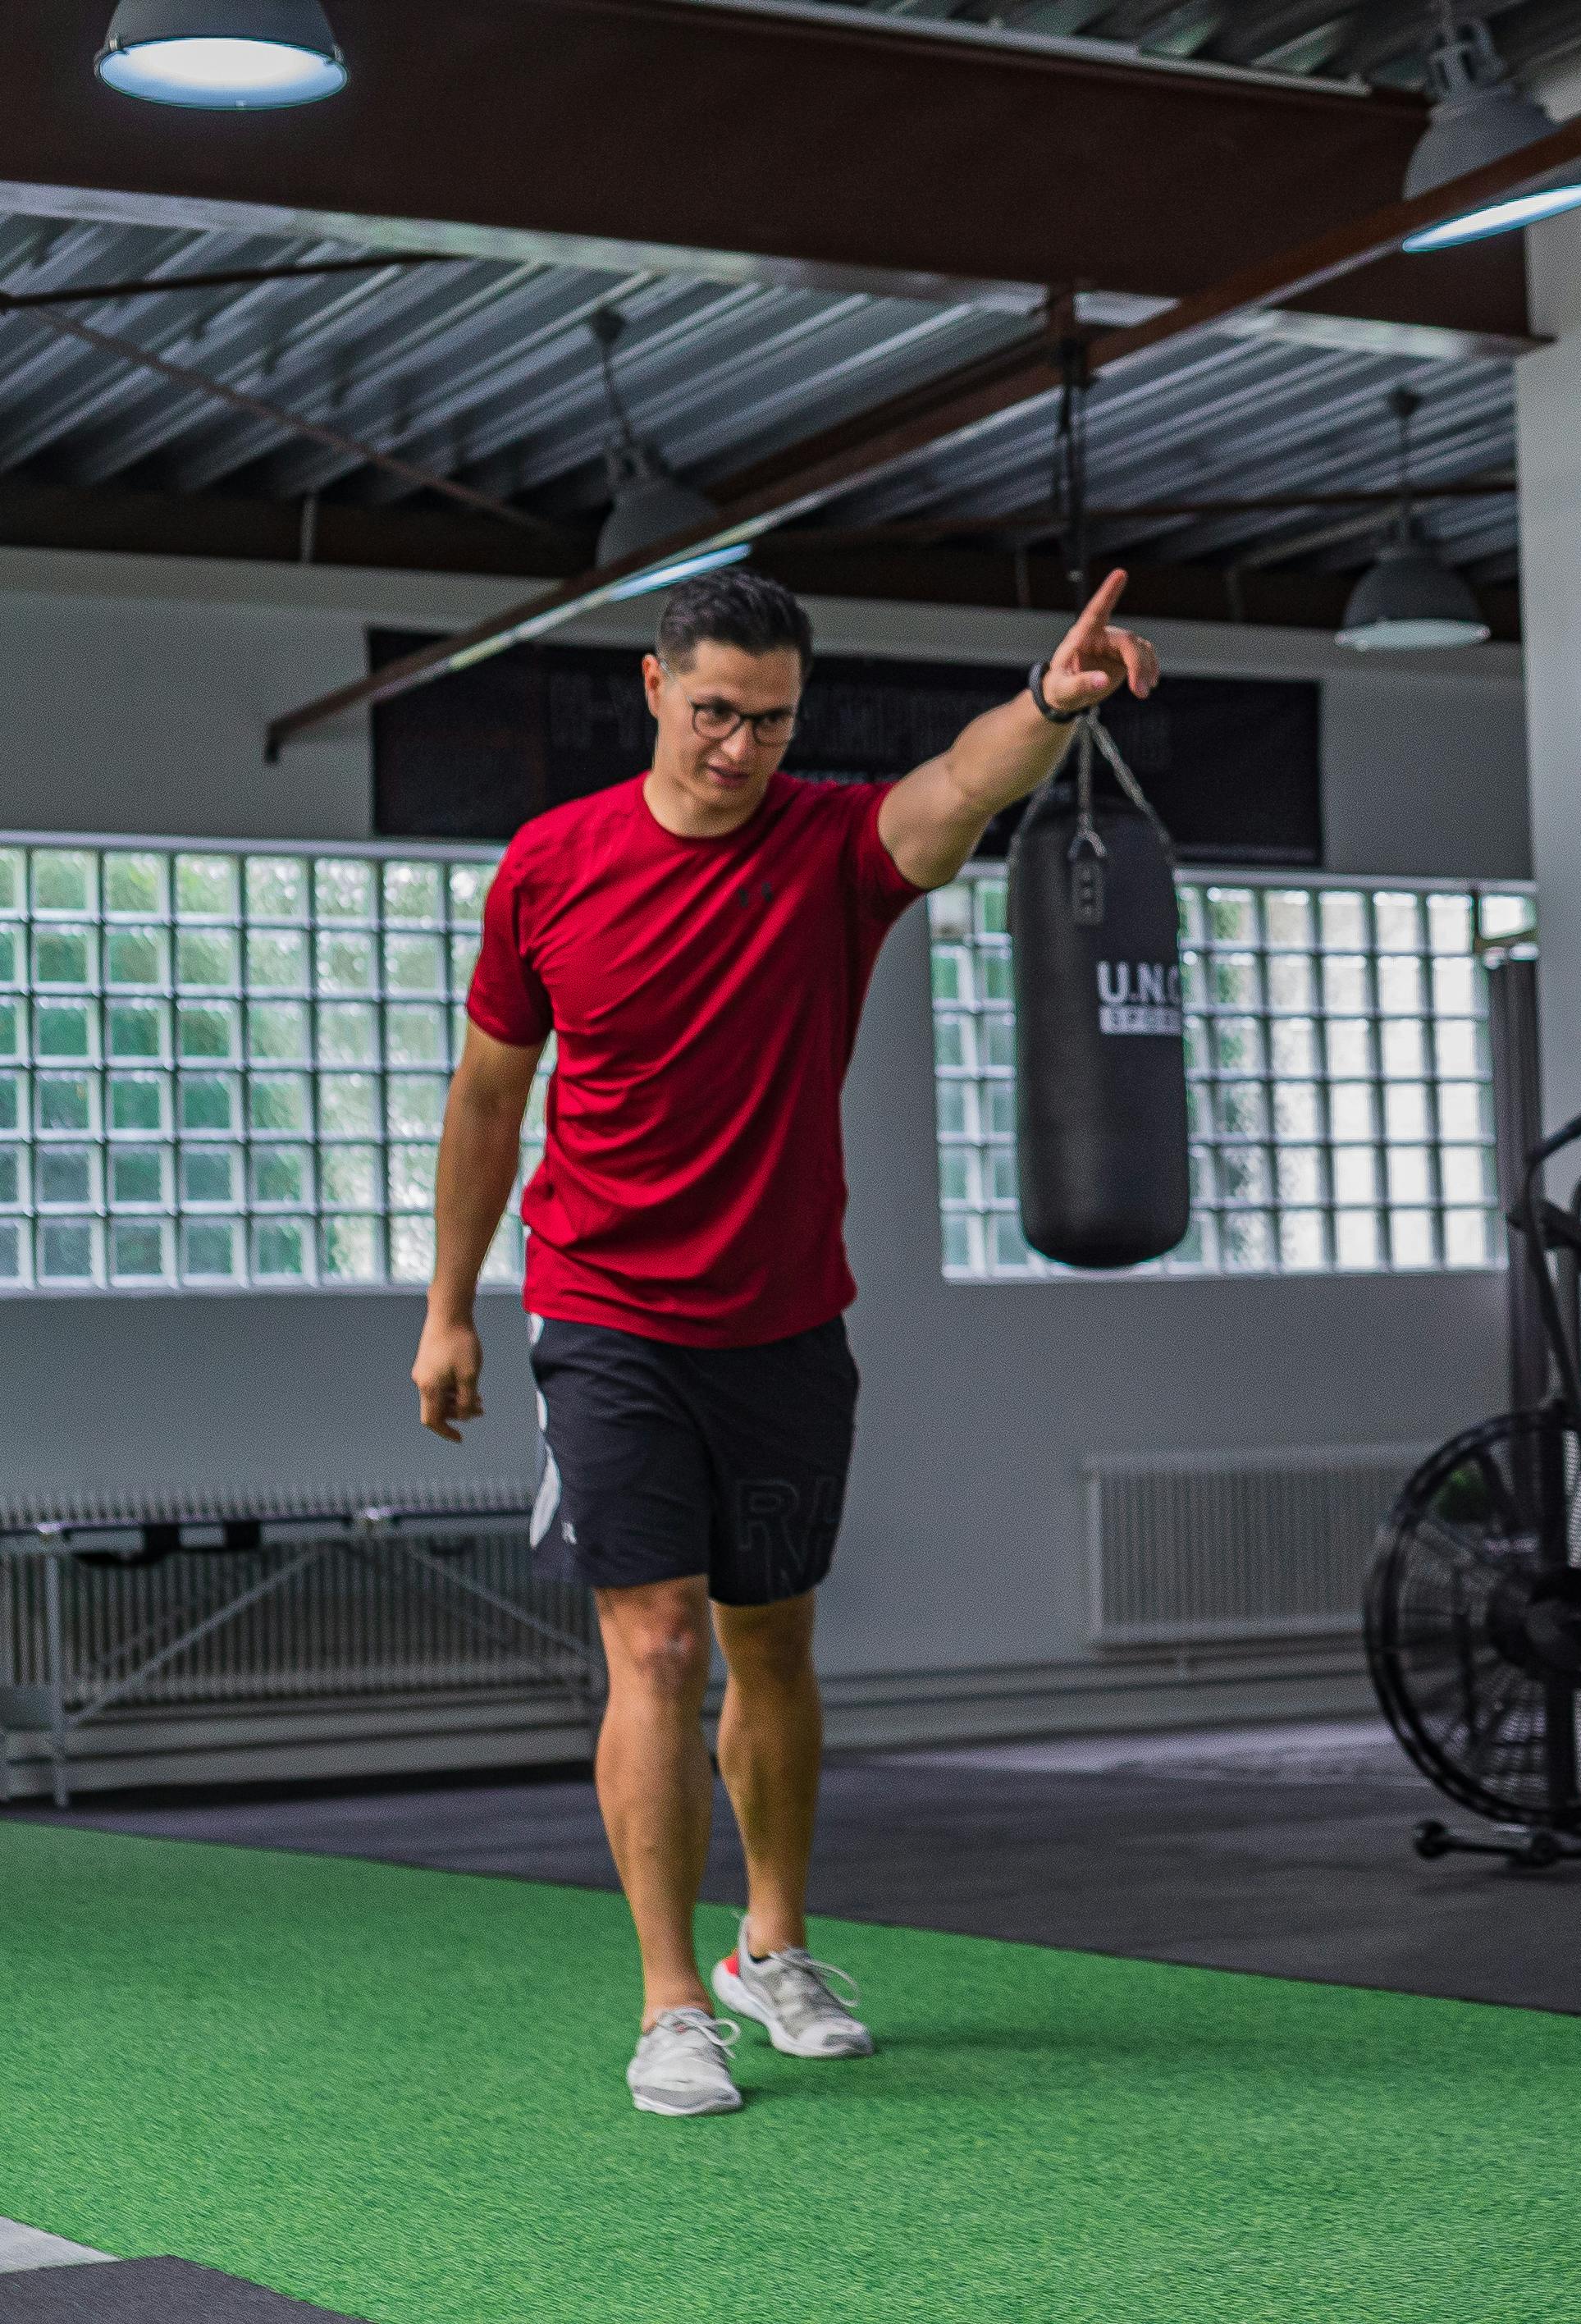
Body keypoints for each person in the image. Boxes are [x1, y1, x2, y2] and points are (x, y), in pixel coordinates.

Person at [409, 565, 1155, 2118]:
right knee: (656, 1644)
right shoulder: (551, 868)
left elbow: (952, 789)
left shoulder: (830, 849)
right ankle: (671, 2001)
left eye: (772, 721)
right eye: (715, 716)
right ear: (652, 689)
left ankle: (772, 1946)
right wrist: (447, 1308)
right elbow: (489, 1099)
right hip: (604, 1308)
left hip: (786, 1320)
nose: (742, 749)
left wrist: (1042, 706)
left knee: (775, 1647)